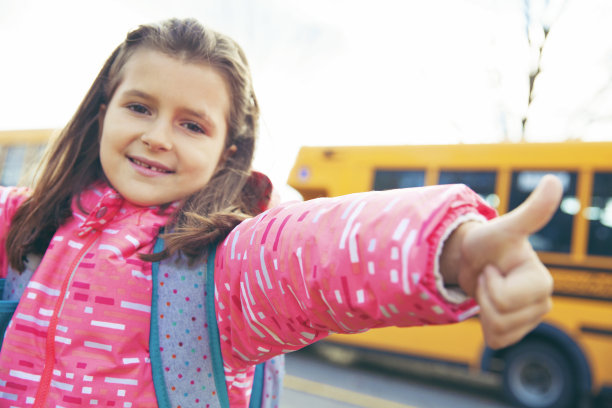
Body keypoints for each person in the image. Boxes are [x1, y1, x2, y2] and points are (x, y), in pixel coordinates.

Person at [0, 18, 561, 408]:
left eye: (191, 124)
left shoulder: (223, 264)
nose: (156, 137)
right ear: (103, 113)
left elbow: (321, 251)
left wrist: (456, 249)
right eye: (140, 107)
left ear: (230, 150)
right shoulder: (24, 225)